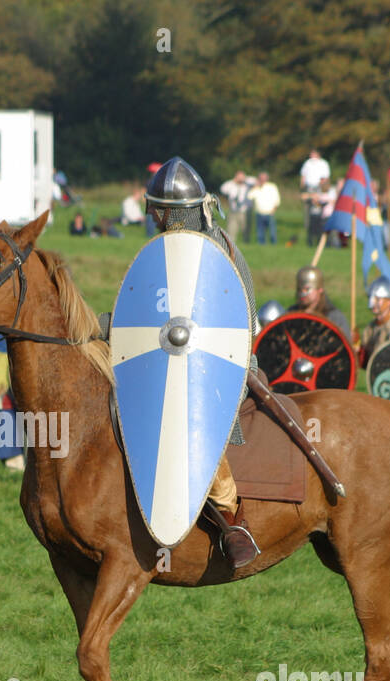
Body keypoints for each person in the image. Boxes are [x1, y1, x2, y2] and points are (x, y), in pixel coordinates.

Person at [143, 156, 269, 566]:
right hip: (183, 359)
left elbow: (222, 324)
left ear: (175, 213)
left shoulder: (211, 251)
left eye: (161, 213)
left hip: (223, 368)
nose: (157, 221)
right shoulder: (181, 249)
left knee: (190, 424)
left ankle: (232, 520)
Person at [249, 171, 280, 244]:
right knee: (260, 233)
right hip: (259, 213)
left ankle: (274, 245)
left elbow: (277, 199)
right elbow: (249, 197)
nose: (262, 180)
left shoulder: (272, 186)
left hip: (270, 213)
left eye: (264, 178)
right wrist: (255, 187)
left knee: (272, 232)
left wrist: (274, 209)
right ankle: (261, 245)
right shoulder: (256, 188)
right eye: (261, 178)